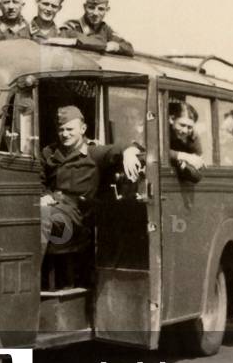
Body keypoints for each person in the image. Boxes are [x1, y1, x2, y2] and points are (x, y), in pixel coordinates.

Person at [40, 105, 142, 289]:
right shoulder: (49, 153)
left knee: (42, 217)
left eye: (70, 129)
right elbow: (37, 180)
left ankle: (33, 275)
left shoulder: (93, 153)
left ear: (83, 129)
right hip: (53, 208)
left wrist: (128, 152)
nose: (65, 134)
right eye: (61, 129)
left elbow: (121, 147)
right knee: (34, 215)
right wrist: (44, 194)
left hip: (78, 216)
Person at [59, 0, 134, 56]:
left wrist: (116, 47)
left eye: (100, 9)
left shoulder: (105, 29)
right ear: (85, 7)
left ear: (107, 10)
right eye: (91, 8)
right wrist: (104, 45)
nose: (95, 13)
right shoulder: (71, 25)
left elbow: (129, 48)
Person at [167, 101, 205, 181]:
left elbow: (198, 158)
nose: (185, 130)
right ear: (171, 119)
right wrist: (183, 156)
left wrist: (198, 163)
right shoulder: (161, 129)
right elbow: (154, 151)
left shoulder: (192, 136)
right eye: (182, 125)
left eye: (189, 127)